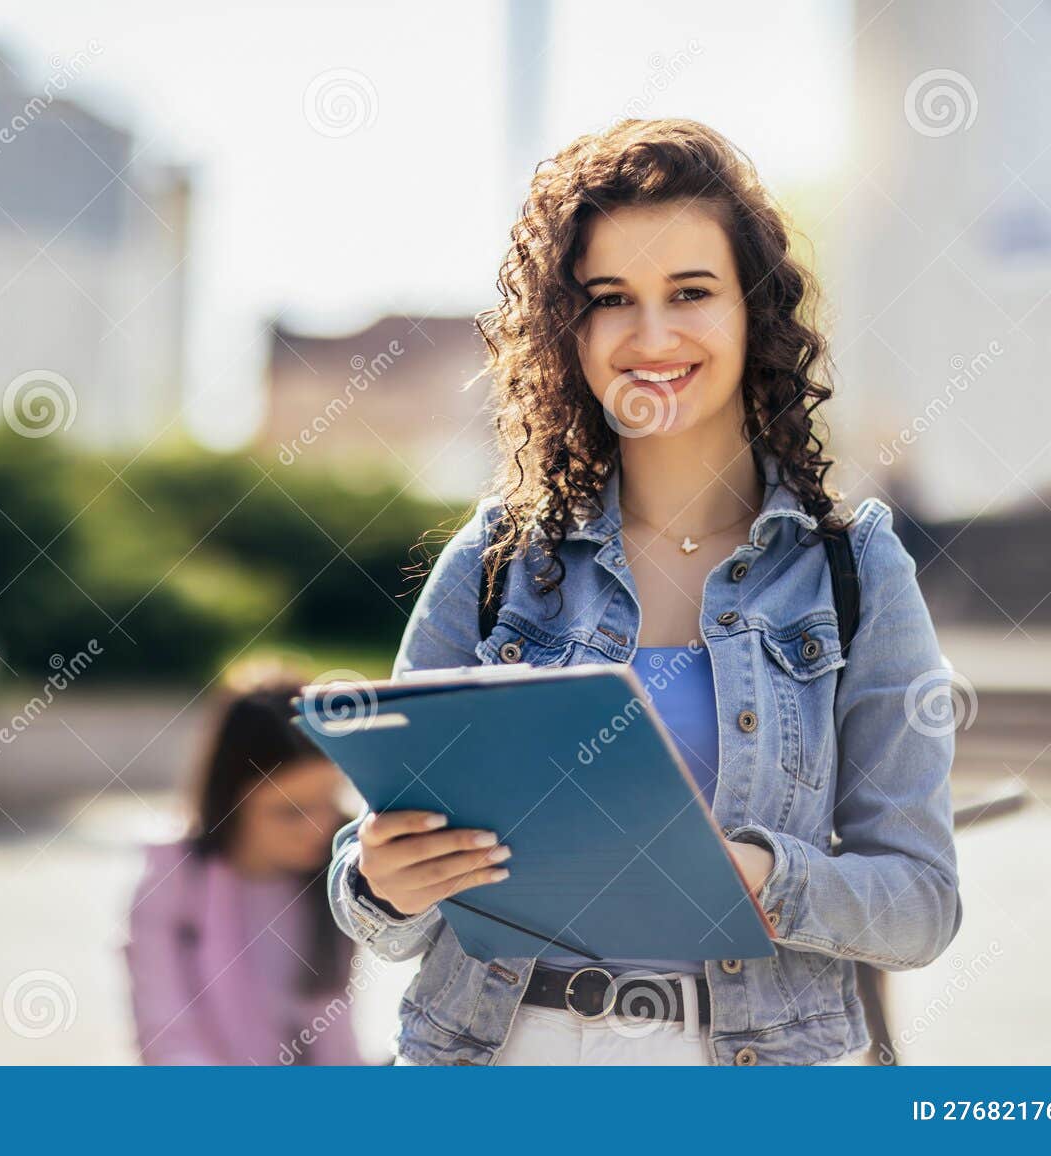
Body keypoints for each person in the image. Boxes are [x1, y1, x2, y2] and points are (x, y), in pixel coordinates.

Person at [327, 118, 962, 1066]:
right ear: (567, 330)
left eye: (691, 293)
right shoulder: (497, 558)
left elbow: (920, 906)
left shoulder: (854, 569)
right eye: (612, 298)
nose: (651, 334)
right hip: (493, 1059)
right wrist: (380, 881)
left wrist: (759, 879)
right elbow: (379, 897)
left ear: (753, 313)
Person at [125, 661, 363, 1065]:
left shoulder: (336, 876)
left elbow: (335, 1035)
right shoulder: (175, 880)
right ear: (230, 803)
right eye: (290, 812)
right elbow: (166, 1035)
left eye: (329, 803)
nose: (318, 828)